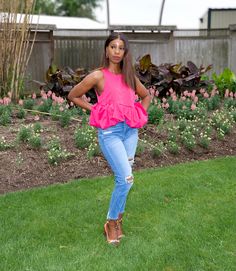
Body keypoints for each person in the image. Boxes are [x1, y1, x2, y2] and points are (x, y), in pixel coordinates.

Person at [68, 32, 151, 246]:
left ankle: (118, 220)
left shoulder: (129, 76)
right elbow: (73, 95)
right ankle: (111, 222)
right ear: (106, 49)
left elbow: (146, 95)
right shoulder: (98, 75)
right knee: (125, 179)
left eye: (120, 48)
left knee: (126, 180)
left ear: (125, 52)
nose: (116, 51)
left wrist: (138, 113)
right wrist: (94, 109)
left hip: (129, 132)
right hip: (110, 133)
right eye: (113, 46)